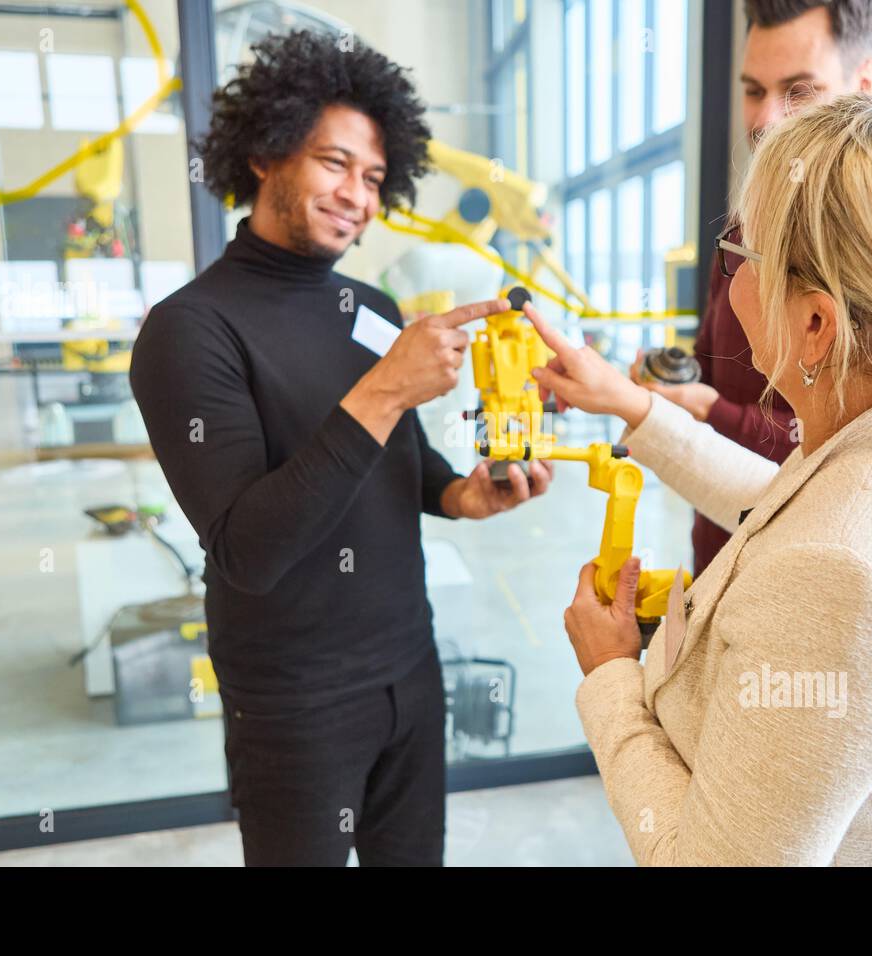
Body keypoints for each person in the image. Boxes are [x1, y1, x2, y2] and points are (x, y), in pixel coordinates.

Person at [524, 83, 872, 865]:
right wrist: (630, 405)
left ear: (816, 325)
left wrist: (611, 678)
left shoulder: (844, 573)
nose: (732, 280)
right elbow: (792, 507)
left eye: (742, 255)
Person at [129, 30, 551, 866]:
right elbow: (248, 548)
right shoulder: (189, 331)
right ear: (265, 149)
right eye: (334, 163)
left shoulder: (371, 305)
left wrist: (462, 494)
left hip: (410, 666)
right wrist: (390, 384)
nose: (356, 194)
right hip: (293, 705)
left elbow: (404, 462)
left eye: (372, 177)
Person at [631, 0, 872, 576]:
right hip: (718, 563)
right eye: (753, 90)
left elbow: (836, 454)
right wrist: (660, 387)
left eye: (799, 90)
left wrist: (711, 411)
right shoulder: (741, 233)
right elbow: (708, 370)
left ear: (865, 84)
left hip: (802, 577)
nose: (767, 119)